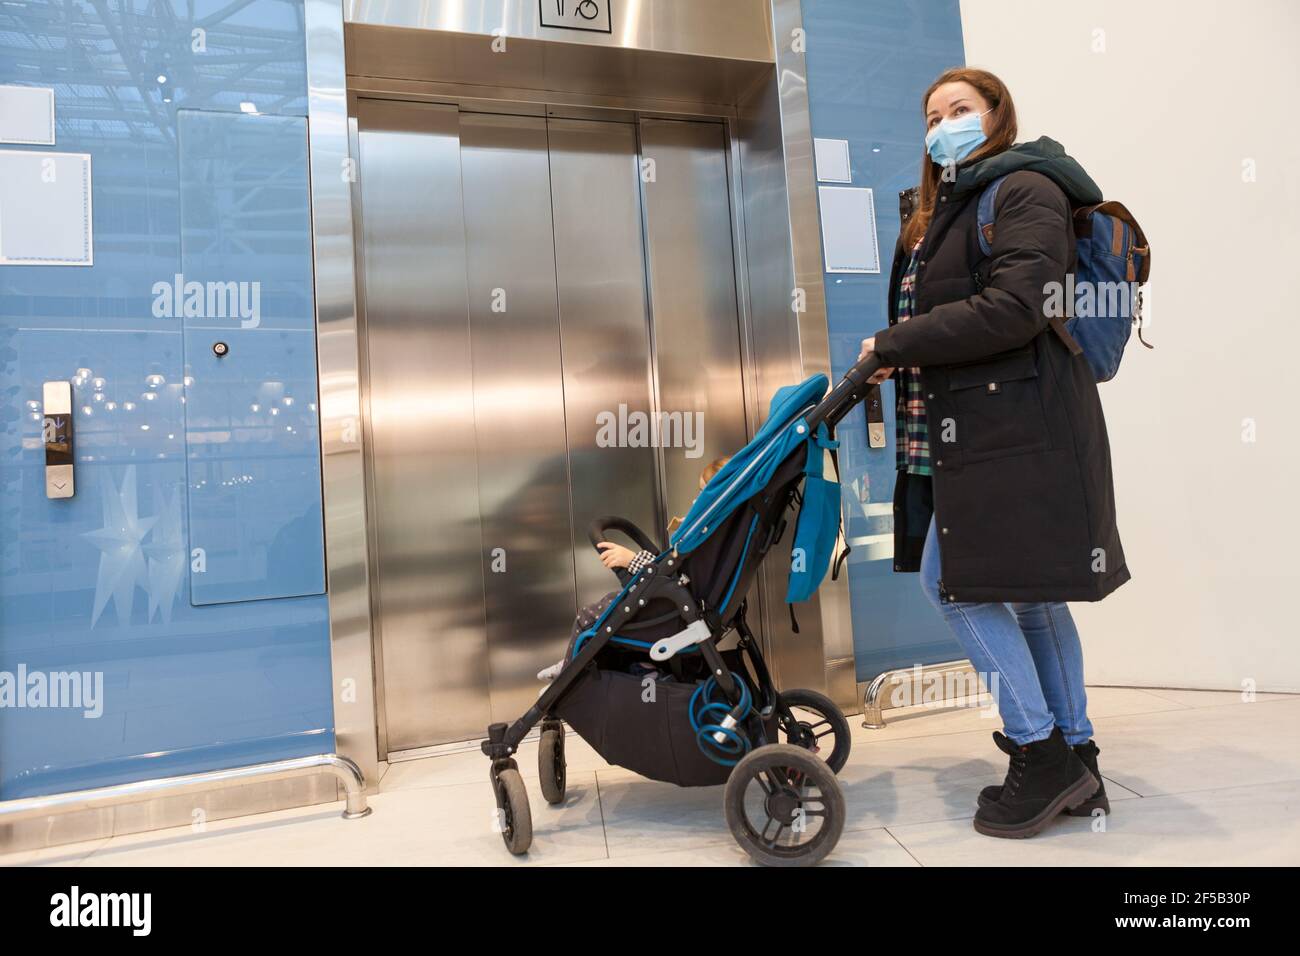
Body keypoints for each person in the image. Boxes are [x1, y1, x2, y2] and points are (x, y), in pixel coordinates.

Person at [857, 67, 1129, 839]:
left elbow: (1020, 304)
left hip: (1015, 428)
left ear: (996, 115)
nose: (944, 123)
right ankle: (1078, 760)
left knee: (957, 583)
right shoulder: (945, 210)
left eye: (961, 109)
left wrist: (893, 343)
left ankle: (1040, 753)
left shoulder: (1025, 188)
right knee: (1032, 594)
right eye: (933, 113)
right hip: (968, 427)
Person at [537, 457, 731, 682]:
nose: (697, 498)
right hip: (692, 606)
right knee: (622, 617)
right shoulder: (722, 536)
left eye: (704, 492)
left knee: (591, 616)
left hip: (675, 608)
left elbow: (675, 576)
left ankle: (570, 671)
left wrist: (631, 560)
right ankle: (643, 666)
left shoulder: (704, 532)